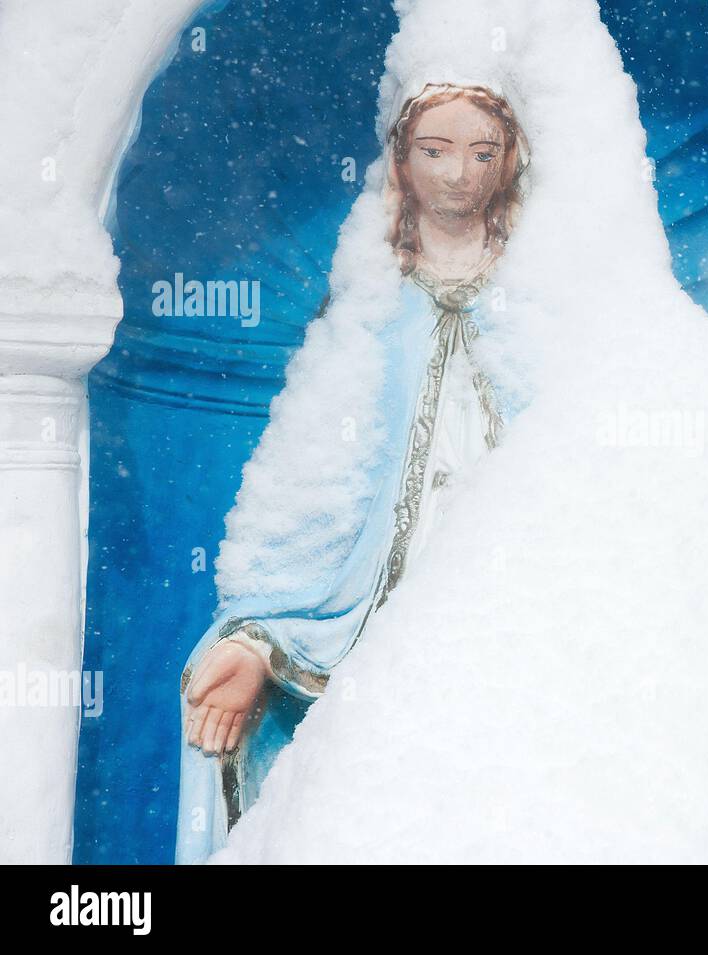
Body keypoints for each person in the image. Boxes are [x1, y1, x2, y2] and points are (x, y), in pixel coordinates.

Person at [175, 82, 529, 863]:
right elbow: (313, 505)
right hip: (380, 634)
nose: (458, 174)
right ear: (401, 162)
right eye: (435, 150)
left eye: (482, 152)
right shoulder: (370, 319)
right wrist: (263, 642)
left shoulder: (542, 309)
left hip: (519, 616)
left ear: (510, 165)